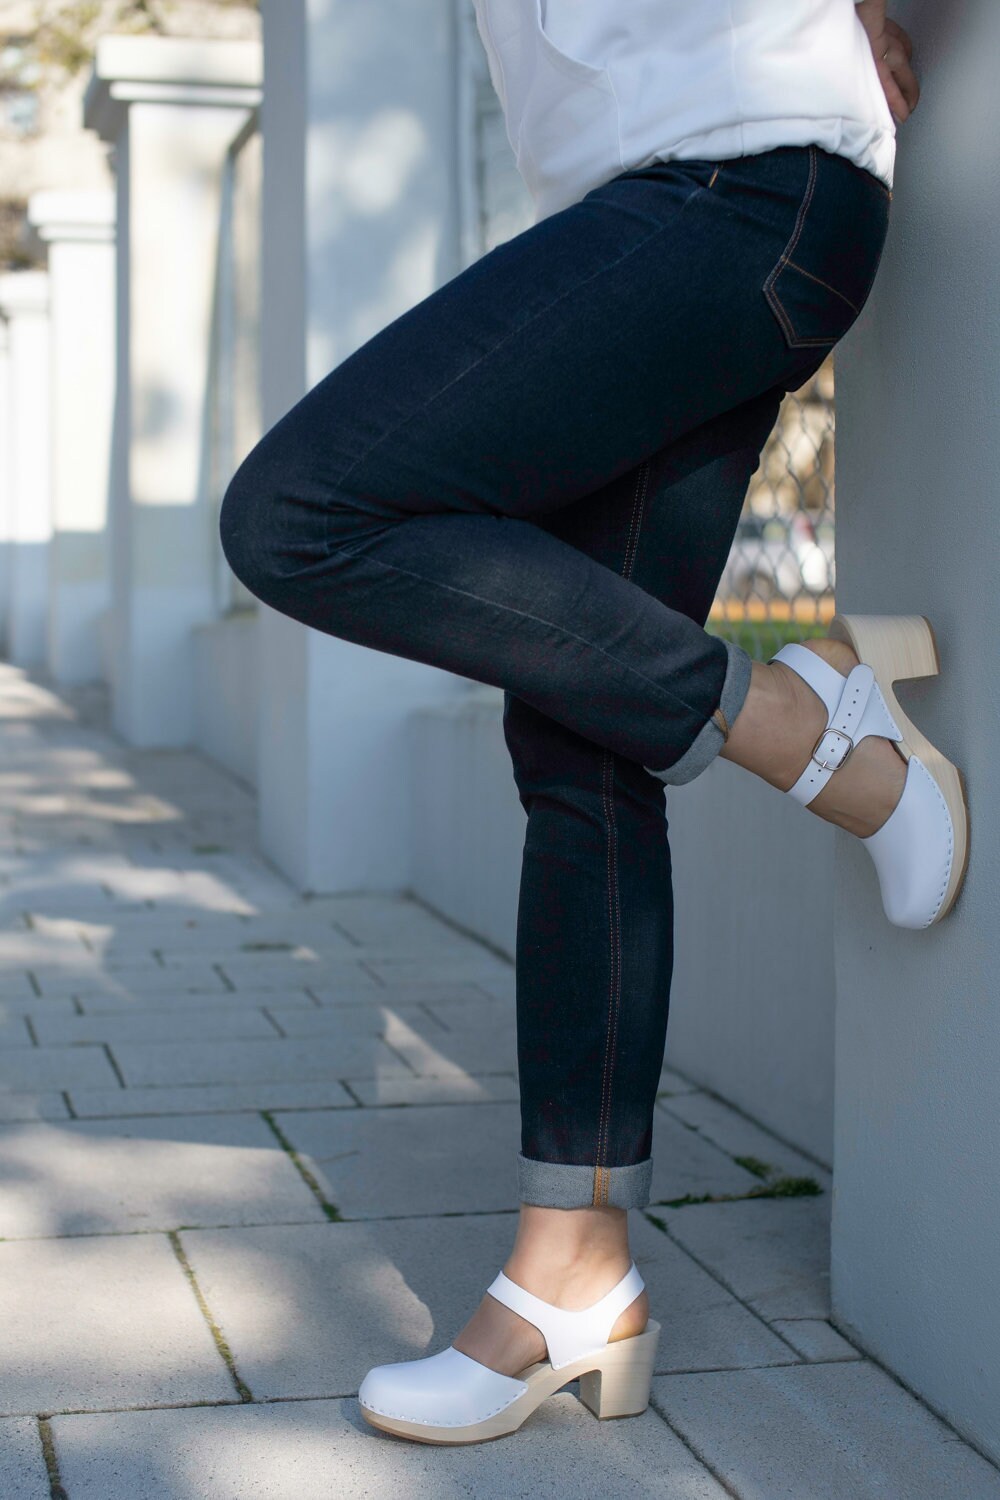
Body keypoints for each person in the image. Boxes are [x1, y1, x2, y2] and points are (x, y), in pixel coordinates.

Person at [220, 0, 966, 1447]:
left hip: (742, 175)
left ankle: (810, 740)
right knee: (577, 741)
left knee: (297, 512)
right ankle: (575, 1278)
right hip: (670, 189)